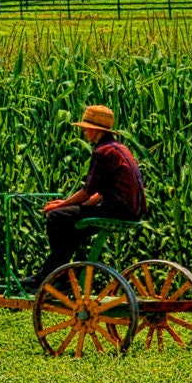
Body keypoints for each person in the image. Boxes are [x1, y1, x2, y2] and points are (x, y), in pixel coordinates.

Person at [20, 104, 147, 291]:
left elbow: (88, 191)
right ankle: (61, 274)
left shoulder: (103, 152)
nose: (85, 132)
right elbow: (101, 192)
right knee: (71, 226)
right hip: (132, 211)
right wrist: (75, 206)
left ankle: (56, 275)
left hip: (117, 210)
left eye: (87, 128)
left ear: (96, 130)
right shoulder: (118, 148)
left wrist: (61, 205)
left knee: (57, 217)